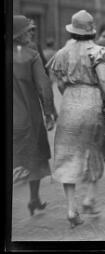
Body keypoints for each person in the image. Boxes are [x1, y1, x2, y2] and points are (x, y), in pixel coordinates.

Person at [48, 10, 105, 228]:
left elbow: (59, 83)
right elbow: (104, 79)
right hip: (93, 104)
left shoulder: (62, 52)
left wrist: (71, 95)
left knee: (68, 154)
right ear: (91, 31)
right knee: (94, 150)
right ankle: (89, 197)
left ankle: (71, 208)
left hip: (69, 104)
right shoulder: (97, 51)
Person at [13, 15, 57, 216]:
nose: (33, 33)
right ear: (19, 33)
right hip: (29, 117)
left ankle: (34, 199)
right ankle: (33, 198)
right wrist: (49, 112)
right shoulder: (32, 55)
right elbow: (44, 86)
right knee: (36, 158)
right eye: (29, 30)